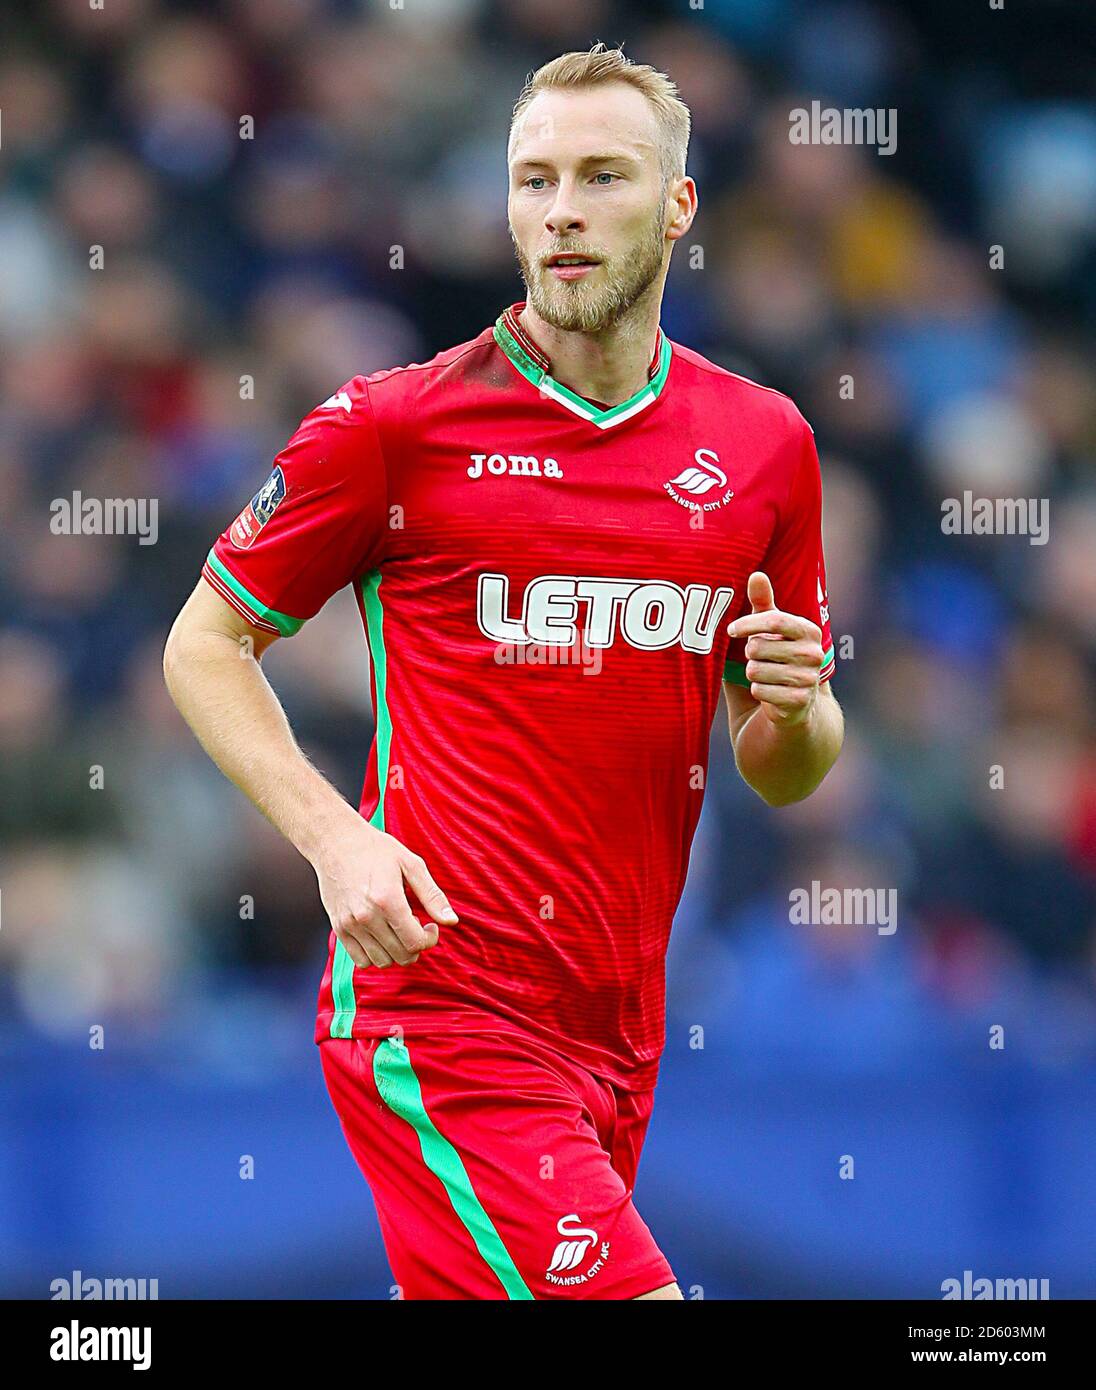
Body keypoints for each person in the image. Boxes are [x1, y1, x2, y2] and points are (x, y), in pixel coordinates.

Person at [164, 42, 843, 1300]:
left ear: (678, 205)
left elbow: (786, 768)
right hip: (441, 1008)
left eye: (601, 176)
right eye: (534, 180)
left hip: (619, 1026)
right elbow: (205, 643)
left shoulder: (764, 446)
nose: (562, 210)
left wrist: (799, 710)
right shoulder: (394, 427)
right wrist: (333, 838)